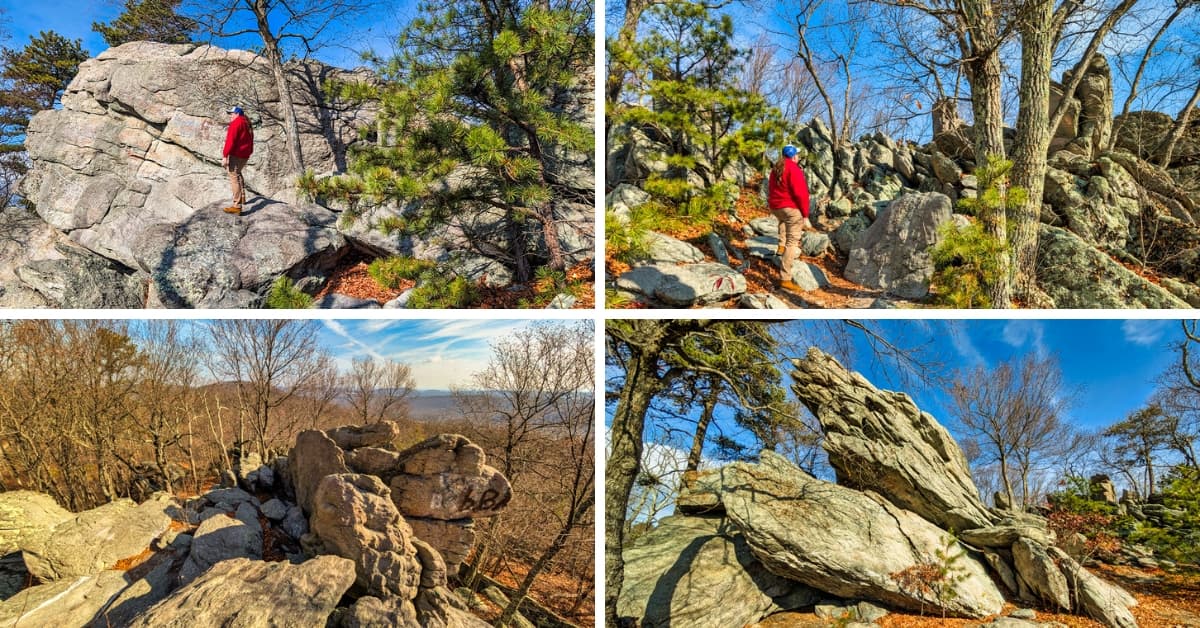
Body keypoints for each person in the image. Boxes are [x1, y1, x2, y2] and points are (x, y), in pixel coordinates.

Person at [766, 143, 811, 292]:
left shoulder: (776, 168)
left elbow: (771, 189)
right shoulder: (794, 169)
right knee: (793, 243)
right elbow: (801, 194)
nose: (798, 156)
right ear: (793, 156)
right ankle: (785, 278)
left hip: (776, 207)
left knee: (783, 220)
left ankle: (780, 246)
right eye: (797, 154)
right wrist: (805, 215)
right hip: (790, 208)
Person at [222, 106, 254, 215]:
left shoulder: (236, 123)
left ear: (237, 114)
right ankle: (243, 197)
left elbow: (230, 141)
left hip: (237, 154)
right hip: (245, 155)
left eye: (232, 113)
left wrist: (225, 156)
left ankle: (237, 205)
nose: (230, 116)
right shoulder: (247, 123)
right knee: (238, 173)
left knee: (233, 175)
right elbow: (251, 139)